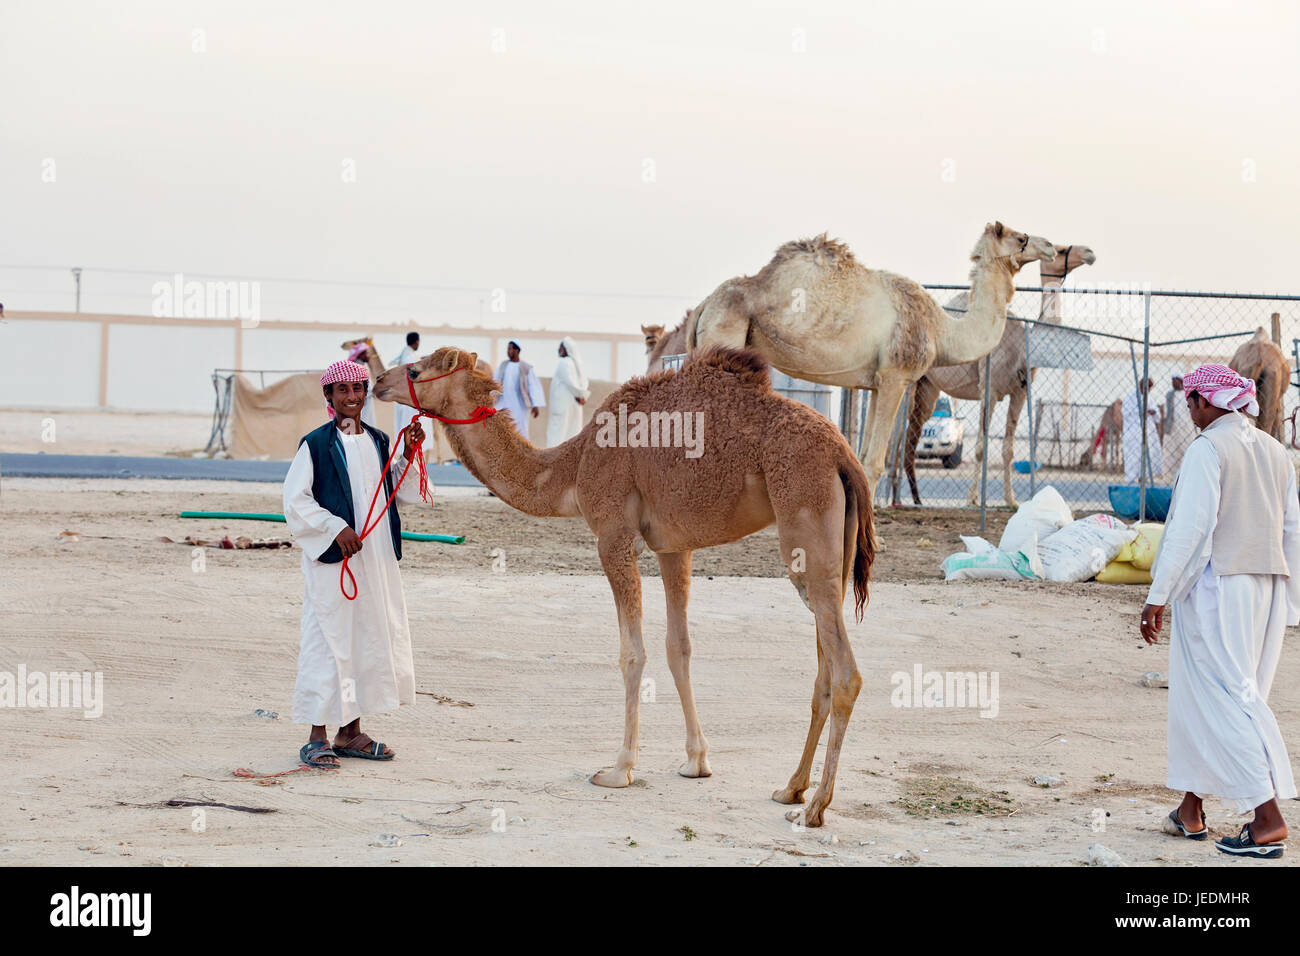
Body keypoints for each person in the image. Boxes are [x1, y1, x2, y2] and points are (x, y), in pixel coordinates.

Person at [1142, 363, 1298, 859]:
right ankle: (1191, 809)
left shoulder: (1209, 448)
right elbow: (1293, 531)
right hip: (1267, 590)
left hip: (1220, 588)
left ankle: (1267, 817)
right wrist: (1291, 602)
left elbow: (1190, 529)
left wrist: (1157, 594)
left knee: (1229, 699)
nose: (1189, 410)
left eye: (1191, 401)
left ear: (1208, 403)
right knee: (1211, 695)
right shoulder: (1277, 451)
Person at [283, 359, 431, 768]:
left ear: (365, 394)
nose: (351, 397)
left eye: (357, 389)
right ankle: (316, 736)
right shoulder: (315, 444)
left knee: (365, 638)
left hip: (376, 562)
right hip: (335, 564)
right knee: (328, 640)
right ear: (328, 396)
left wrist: (409, 453)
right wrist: (334, 528)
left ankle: (350, 732)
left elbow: (402, 493)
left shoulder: (380, 440)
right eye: (342, 390)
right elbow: (295, 501)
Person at [495, 340, 545, 438]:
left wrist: (535, 405)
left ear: (517, 350)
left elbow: (533, 386)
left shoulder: (525, 367)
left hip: (519, 405)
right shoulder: (503, 365)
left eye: (510, 349)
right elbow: (495, 381)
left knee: (521, 429)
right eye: (507, 349)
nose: (508, 351)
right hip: (503, 402)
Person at [546, 336, 591, 445]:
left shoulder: (564, 363)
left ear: (567, 349)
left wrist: (579, 395)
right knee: (571, 434)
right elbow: (583, 383)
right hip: (573, 406)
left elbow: (570, 383)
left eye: (561, 347)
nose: (558, 350)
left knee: (557, 436)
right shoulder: (577, 364)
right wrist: (583, 396)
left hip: (563, 407)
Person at [390, 332, 427, 457]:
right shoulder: (411, 358)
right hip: (410, 400)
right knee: (411, 427)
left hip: (404, 399)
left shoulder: (405, 356)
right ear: (416, 341)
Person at [1122, 378, 1163, 483]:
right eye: (1147, 387)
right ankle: (1130, 481)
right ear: (1141, 386)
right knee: (1133, 457)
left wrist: (1153, 412)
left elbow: (1157, 415)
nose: (1148, 390)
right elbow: (1126, 412)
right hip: (1134, 432)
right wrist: (1141, 412)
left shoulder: (1149, 398)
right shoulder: (1131, 397)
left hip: (1148, 432)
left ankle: (1143, 479)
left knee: (1147, 456)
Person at [1163, 374, 1195, 475]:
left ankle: (1188, 473)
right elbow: (1166, 412)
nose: (1173, 382)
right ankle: (1171, 476)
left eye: (1174, 380)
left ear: (1180, 381)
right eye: (1172, 380)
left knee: (1188, 450)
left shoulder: (1189, 394)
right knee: (1171, 453)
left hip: (1187, 428)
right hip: (1172, 428)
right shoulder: (1169, 395)